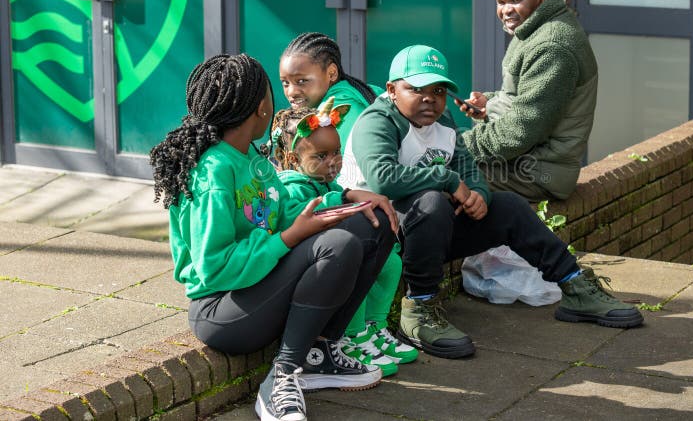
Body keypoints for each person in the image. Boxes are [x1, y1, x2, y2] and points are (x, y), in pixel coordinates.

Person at [340, 44, 642, 360]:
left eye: (438, 90)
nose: (430, 98)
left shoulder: (441, 123)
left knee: (508, 205)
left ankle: (575, 286)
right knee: (431, 202)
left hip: (422, 233)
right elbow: (382, 178)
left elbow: (468, 169)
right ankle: (418, 310)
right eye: (416, 89)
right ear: (392, 89)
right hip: (376, 234)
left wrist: (479, 197)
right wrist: (448, 181)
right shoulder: (378, 121)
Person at [149, 53, 397, 421]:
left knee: (371, 221)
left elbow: (278, 216)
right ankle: (282, 377)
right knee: (337, 245)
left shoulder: (251, 157)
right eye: (270, 92)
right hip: (223, 311)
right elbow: (214, 267)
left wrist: (343, 199)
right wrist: (290, 238)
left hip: (259, 282)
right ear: (259, 108)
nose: (277, 100)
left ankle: (319, 352)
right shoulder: (214, 172)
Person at [278, 32, 415, 369]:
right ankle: (351, 336)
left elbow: (340, 172)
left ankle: (369, 330)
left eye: (302, 81)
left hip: (367, 209)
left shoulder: (337, 108)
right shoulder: (340, 100)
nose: (293, 91)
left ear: (331, 74)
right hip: (343, 226)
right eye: (285, 83)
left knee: (383, 260)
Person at [459, 0, 599, 202]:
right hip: (523, 161)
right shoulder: (533, 28)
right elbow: (525, 100)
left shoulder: (552, 47)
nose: (506, 11)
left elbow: (520, 131)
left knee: (442, 175)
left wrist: (455, 146)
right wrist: (489, 106)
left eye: (515, 0)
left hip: (537, 173)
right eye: (500, 2)